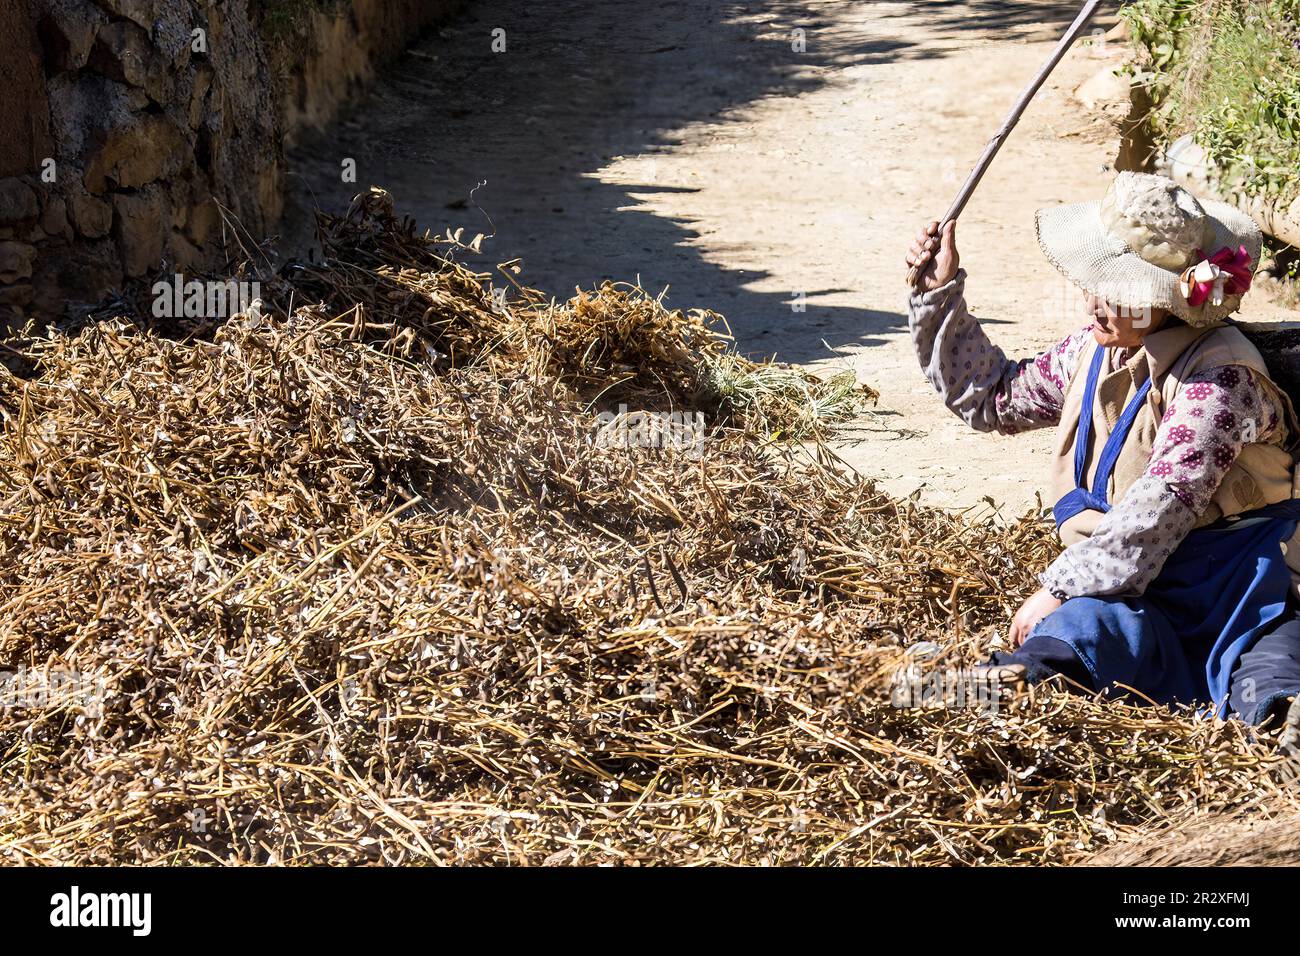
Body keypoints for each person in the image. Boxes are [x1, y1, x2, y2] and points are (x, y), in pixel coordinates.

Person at [904, 171, 1300, 748]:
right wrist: (939, 298)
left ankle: (1284, 726)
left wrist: (1060, 586)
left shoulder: (1221, 380)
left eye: (1118, 291)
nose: (1094, 301)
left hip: (1240, 595)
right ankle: (948, 694)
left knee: (1270, 676)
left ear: (1166, 302)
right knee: (1069, 642)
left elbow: (1161, 505)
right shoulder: (1094, 350)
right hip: (1134, 592)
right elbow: (993, 397)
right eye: (1097, 284)